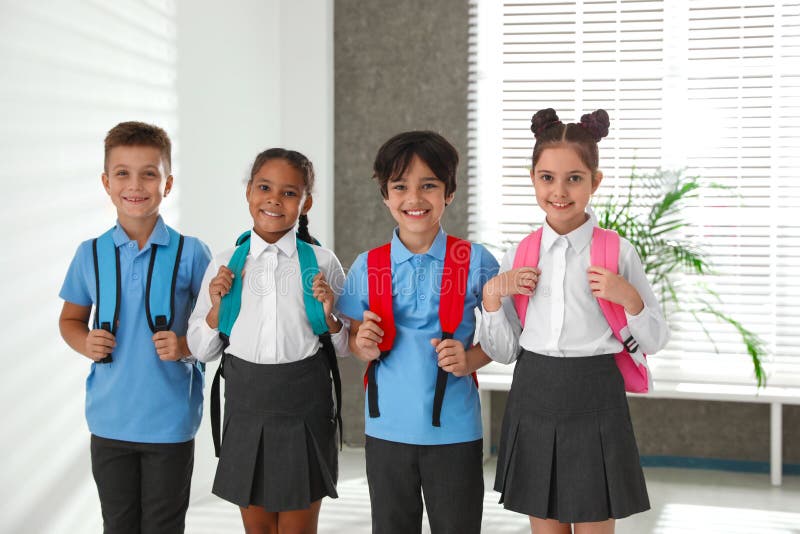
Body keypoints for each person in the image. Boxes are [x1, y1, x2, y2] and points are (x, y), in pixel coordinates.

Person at [480, 108, 670, 534]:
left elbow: (655, 339)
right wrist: (493, 296)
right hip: (533, 394)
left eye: (574, 178)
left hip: (596, 396)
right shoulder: (521, 254)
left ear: (594, 182)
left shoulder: (618, 253)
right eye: (547, 177)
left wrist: (631, 299)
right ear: (532, 178)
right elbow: (506, 351)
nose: (559, 191)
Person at [337, 130, 499, 534]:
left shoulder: (474, 260)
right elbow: (356, 340)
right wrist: (364, 345)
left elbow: (505, 336)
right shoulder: (367, 265)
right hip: (387, 428)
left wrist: (472, 358)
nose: (414, 198)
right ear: (385, 196)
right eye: (400, 186)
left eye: (429, 185)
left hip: (456, 429)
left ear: (449, 192)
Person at [58, 121, 212, 533]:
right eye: (123, 173)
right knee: (119, 524)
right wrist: (84, 341)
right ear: (106, 183)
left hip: (171, 421)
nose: (136, 184)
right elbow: (70, 320)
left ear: (168, 182)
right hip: (109, 420)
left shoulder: (192, 253)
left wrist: (184, 345)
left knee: (163, 525)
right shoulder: (89, 253)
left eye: (149, 173)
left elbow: (216, 328)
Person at [187, 148, 346, 534]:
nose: (274, 199)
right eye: (264, 187)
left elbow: (345, 346)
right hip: (246, 407)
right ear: (248, 193)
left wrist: (330, 317)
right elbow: (201, 349)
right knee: (256, 529)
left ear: (306, 202)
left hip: (305, 408)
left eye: (290, 192)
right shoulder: (226, 264)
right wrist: (214, 309)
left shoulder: (323, 263)